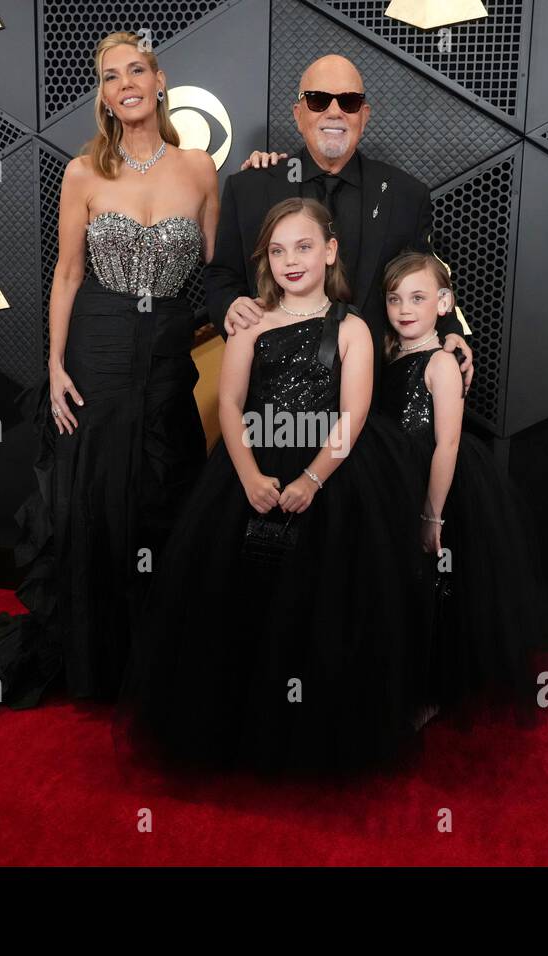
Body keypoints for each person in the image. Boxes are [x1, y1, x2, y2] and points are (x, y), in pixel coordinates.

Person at [0, 32, 219, 708]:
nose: (125, 83)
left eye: (136, 70)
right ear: (103, 96)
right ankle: (96, 658)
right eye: (110, 76)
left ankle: (154, 655)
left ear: (160, 81)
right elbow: (68, 273)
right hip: (96, 348)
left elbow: (218, 275)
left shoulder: (199, 170)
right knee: (95, 500)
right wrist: (53, 366)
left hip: (165, 351)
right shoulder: (83, 173)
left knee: (159, 496)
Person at [114, 198, 433, 780]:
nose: (291, 260)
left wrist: (312, 479)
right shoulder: (251, 322)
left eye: (304, 246)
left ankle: (314, 732)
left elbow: (355, 412)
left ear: (330, 252)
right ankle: (239, 727)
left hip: (331, 477)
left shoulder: (354, 327)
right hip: (248, 474)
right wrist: (248, 476)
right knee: (236, 604)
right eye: (278, 250)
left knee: (321, 606)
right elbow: (231, 404)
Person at [203, 54, 474, 404]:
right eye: (318, 100)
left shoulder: (407, 195)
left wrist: (450, 330)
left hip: (376, 399)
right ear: (298, 114)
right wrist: (229, 306)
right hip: (276, 405)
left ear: (364, 115)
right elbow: (222, 274)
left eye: (349, 102)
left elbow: (424, 277)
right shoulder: (251, 188)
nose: (334, 112)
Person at [377, 251, 548, 730]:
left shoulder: (442, 362)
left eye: (418, 297)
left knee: (436, 589)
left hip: (439, 485)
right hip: (393, 478)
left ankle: (431, 690)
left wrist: (432, 514)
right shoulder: (393, 356)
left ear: (443, 302)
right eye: (395, 299)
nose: (405, 308)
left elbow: (448, 442)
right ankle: (399, 680)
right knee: (402, 585)